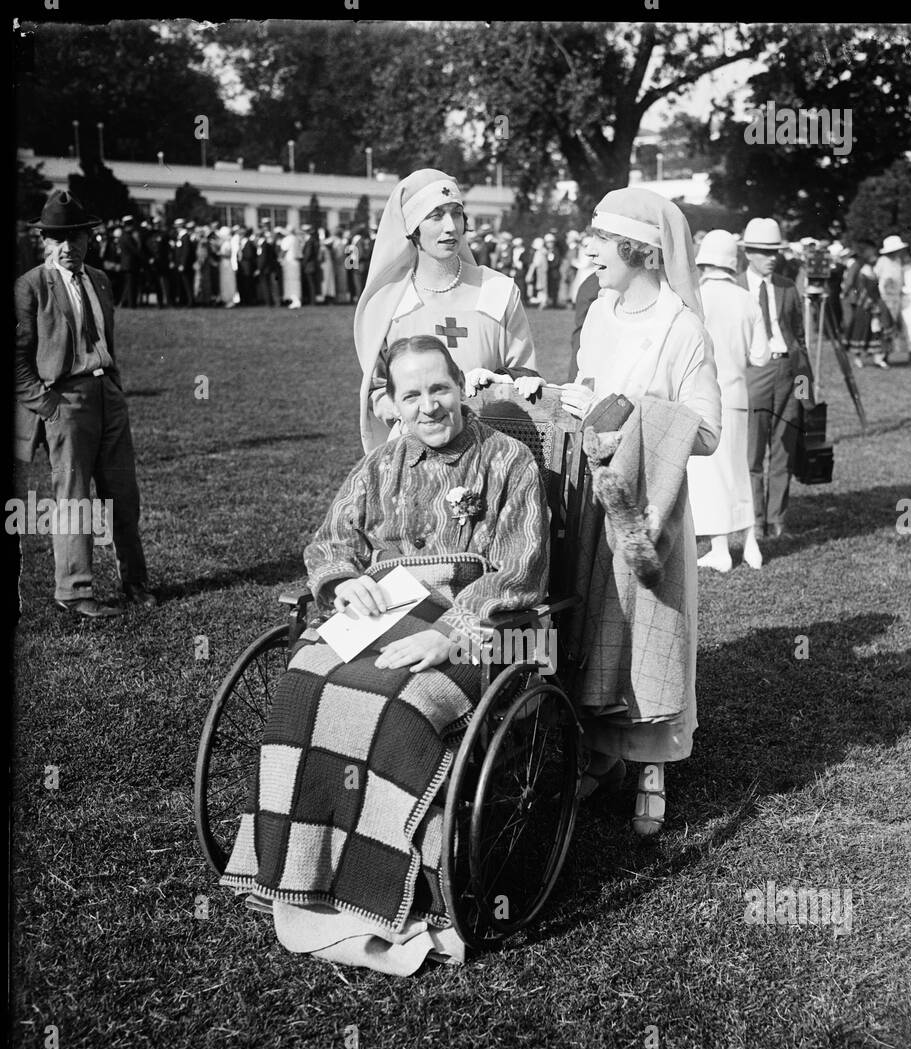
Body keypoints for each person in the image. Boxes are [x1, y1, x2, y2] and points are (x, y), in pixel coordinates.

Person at [219, 335, 549, 976]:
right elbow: (331, 540)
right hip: (384, 615)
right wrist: (346, 582)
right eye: (412, 395)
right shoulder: (381, 463)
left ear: (461, 387)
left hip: (484, 626)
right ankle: (300, 865)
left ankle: (379, 884)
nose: (429, 406)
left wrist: (451, 631)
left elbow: (519, 570)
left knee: (397, 706)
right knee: (302, 682)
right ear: (391, 405)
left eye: (439, 389)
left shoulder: (508, 461)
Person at [559, 187, 721, 836]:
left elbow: (706, 429)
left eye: (600, 239)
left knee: (653, 629)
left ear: (641, 250)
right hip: (594, 495)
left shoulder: (681, 328)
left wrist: (639, 424)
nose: (588, 250)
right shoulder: (600, 313)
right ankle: (601, 752)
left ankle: (651, 768)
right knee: (598, 626)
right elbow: (591, 393)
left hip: (652, 509)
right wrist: (581, 405)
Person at [14, 191, 156, 619]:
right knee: (73, 497)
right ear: (44, 242)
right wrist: (47, 404)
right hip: (65, 400)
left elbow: (106, 341)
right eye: (58, 239)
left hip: (106, 394)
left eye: (76, 238)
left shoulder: (99, 279)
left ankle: (135, 582)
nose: (68, 248)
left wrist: (113, 385)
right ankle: (74, 591)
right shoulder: (31, 286)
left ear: (89, 239)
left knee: (123, 495)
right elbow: (17, 360)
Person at [353, 167, 542, 453]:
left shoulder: (497, 290)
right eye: (436, 216)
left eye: (456, 213)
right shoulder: (389, 302)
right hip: (414, 449)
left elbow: (524, 374)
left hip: (491, 449)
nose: (451, 226)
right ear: (412, 228)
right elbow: (378, 390)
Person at [688, 230, 770, 573]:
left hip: (705, 398)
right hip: (738, 395)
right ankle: (750, 542)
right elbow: (762, 356)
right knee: (739, 467)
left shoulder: (695, 299)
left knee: (710, 474)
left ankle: (720, 549)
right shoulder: (747, 299)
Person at [740, 217, 811, 541]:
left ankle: (776, 519)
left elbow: (799, 337)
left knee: (784, 447)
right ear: (748, 253)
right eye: (765, 251)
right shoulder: (736, 288)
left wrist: (804, 384)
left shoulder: (787, 287)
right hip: (753, 374)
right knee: (752, 451)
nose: (772, 257)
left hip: (787, 371)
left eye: (775, 252)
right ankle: (755, 519)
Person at [842, 240, 891, 369]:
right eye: (871, 250)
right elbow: (850, 282)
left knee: (876, 330)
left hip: (875, 302)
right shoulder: (857, 265)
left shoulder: (873, 266)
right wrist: (849, 294)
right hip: (862, 303)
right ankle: (857, 357)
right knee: (860, 330)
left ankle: (878, 357)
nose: (873, 253)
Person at [876, 234, 908, 362]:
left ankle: (886, 354)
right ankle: (880, 355)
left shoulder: (898, 262)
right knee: (883, 326)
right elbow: (877, 278)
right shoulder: (882, 261)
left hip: (896, 298)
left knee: (892, 326)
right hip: (884, 297)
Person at [280, 225, 302, 307]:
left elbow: (283, 250)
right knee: (295, 281)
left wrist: (279, 259)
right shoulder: (296, 239)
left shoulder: (288, 239)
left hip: (290, 262)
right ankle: (295, 299)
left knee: (291, 282)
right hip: (295, 262)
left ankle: (294, 299)